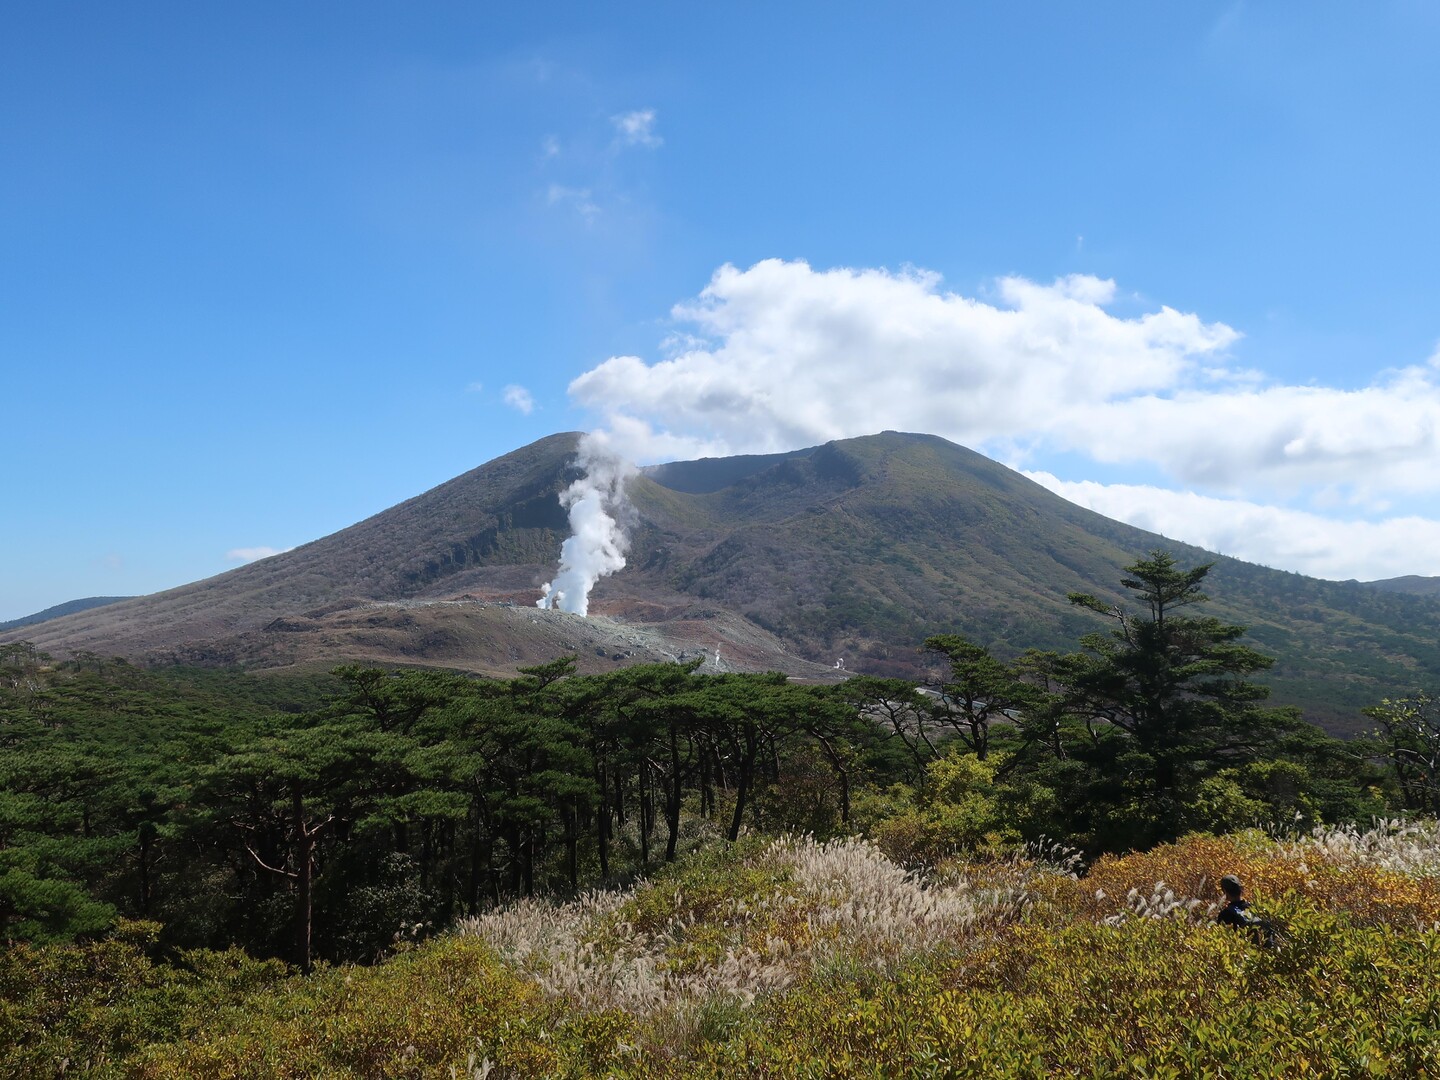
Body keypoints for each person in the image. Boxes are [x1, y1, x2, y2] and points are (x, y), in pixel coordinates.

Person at [1217, 874, 1274, 944]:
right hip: (1264, 952)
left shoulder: (1225, 914)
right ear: (1241, 889)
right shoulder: (1256, 908)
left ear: (1225, 891)